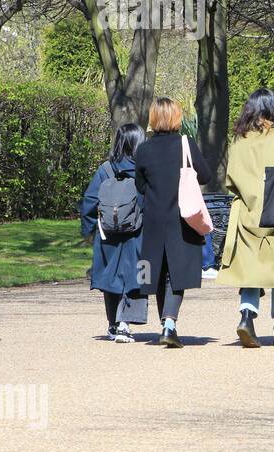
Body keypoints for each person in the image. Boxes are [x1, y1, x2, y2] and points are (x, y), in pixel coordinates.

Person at [218, 88, 274, 347]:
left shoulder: (239, 139)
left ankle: (247, 317)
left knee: (250, 270)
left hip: (248, 213)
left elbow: (231, 178)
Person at [134, 97, 213, 347]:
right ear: (176, 117)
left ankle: (165, 325)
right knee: (178, 273)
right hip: (182, 217)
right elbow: (206, 174)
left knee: (154, 273)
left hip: (154, 219)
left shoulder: (144, 149)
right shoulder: (185, 144)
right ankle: (169, 324)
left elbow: (140, 185)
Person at [80, 123, 147, 343]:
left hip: (107, 233)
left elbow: (90, 201)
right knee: (136, 276)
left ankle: (113, 324)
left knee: (110, 278)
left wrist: (89, 230)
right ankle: (126, 324)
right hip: (137, 232)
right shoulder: (144, 170)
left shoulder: (105, 169)